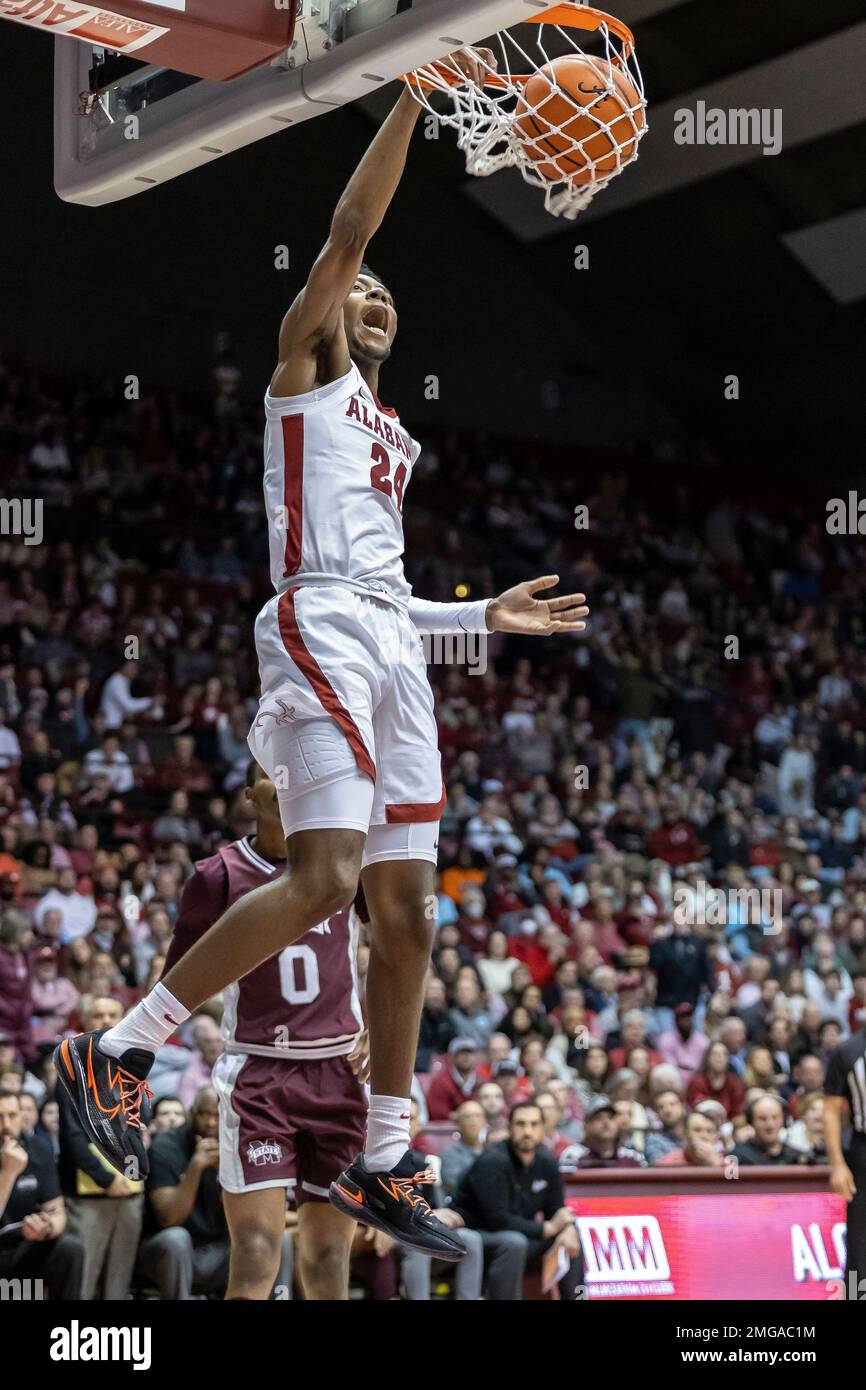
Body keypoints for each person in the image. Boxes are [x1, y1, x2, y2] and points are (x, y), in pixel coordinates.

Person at [55, 68, 590, 1261]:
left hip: (392, 641)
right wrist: (419, 81)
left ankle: (388, 1152)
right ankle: (125, 1043)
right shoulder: (304, 375)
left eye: (392, 299)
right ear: (333, 305)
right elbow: (351, 231)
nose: (377, 302)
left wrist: (480, 621)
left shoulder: (394, 433)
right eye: (365, 293)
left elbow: (394, 597)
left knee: (405, 917)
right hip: (316, 628)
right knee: (328, 874)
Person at [163, 761, 367, 1300]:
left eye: (300, 769)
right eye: (273, 773)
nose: (289, 781)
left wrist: (383, 1027)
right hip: (258, 1068)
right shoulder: (218, 875)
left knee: (327, 1256)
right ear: (251, 794)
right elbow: (173, 981)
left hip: (339, 1068)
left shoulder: (347, 858)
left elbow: (399, 942)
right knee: (255, 1249)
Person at [58, 996, 144, 1300]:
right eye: (98, 1015)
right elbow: (72, 1137)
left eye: (112, 1014)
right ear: (84, 1022)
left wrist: (131, 1179)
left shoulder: (135, 1065)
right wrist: (107, 1180)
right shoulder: (72, 1068)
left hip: (130, 1194)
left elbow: (138, 1130)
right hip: (91, 1193)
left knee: (118, 1282)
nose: (106, 1021)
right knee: (83, 1281)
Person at [453, 1100, 583, 1300]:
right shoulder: (493, 1161)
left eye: (534, 1124)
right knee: (514, 1242)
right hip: (476, 1236)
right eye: (521, 1124)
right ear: (510, 1127)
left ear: (543, 1128)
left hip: (517, 1235)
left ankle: (578, 1298)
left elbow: (556, 1210)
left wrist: (568, 1228)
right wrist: (546, 1229)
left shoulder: (546, 1162)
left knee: (570, 1238)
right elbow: (497, 1219)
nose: (527, 1131)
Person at [135, 1087, 231, 1300]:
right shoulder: (165, 1147)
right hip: (164, 1251)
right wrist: (195, 1167)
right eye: (204, 1114)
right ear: (190, 1113)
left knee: (276, 1241)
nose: (211, 1123)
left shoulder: (233, 1147)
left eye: (217, 1115)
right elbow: (169, 1219)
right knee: (176, 1239)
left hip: (216, 1251)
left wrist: (227, 1173)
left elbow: (245, 1218)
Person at [0, 1091, 83, 1299]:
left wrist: (47, 1227)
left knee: (70, 1247)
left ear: (22, 1116)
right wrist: (8, 1173)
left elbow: (57, 1210)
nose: (7, 1125)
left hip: (25, 1242)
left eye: (12, 1115)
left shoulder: (38, 1148)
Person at [399, 1100, 484, 1301]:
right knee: (418, 1242)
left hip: (419, 1226)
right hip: (392, 1231)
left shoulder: (422, 1162)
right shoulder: (377, 1160)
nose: (404, 1124)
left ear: (419, 1125)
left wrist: (437, 1214)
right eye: (400, 1118)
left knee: (471, 1239)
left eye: (410, 1119)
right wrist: (426, 1215)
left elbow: (435, 1208)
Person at [822, 1020, 866, 1294]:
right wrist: (837, 1163)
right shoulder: (848, 1051)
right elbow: (830, 1110)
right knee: (860, 1242)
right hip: (863, 1149)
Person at [559, 1095, 646, 1170]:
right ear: (586, 1125)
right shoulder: (573, 1156)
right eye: (599, 1118)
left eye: (611, 1117)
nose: (606, 1123)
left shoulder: (633, 1157)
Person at [731, 1095, 802, 1166]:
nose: (770, 1125)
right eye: (763, 1119)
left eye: (775, 1117)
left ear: (784, 1120)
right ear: (751, 1121)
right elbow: (729, 1176)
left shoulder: (797, 1157)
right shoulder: (735, 1157)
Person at [441, 1099, 487, 1198]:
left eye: (477, 1116)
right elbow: (452, 1184)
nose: (473, 1120)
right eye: (467, 1116)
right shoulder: (450, 1153)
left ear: (484, 1122)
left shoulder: (490, 1151)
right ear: (458, 1123)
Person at [426, 1038, 479, 1122]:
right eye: (461, 1053)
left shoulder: (480, 1081)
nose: (466, 1056)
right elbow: (437, 1113)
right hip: (446, 1132)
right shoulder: (441, 1083)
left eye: (469, 1053)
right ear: (451, 1057)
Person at [656, 1109, 724, 1167]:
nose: (704, 1136)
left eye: (709, 1131)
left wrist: (714, 1163)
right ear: (685, 1133)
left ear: (716, 1137)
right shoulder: (667, 1164)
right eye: (697, 1130)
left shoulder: (725, 1164)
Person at [644, 1089, 687, 1164]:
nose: (667, 1110)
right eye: (661, 1107)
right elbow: (660, 1170)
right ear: (657, 1114)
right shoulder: (654, 1141)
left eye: (672, 1104)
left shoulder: (695, 1135)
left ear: (682, 1107)